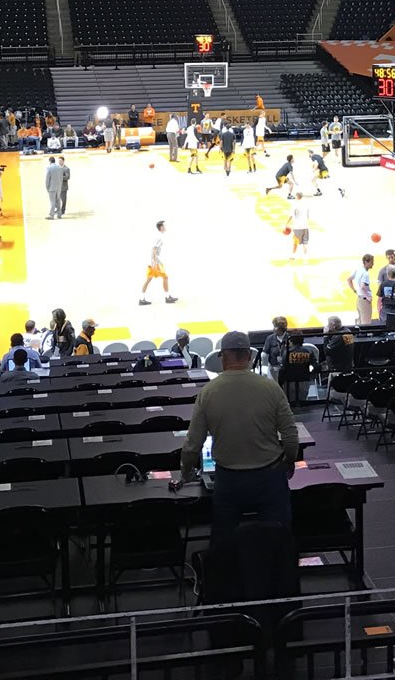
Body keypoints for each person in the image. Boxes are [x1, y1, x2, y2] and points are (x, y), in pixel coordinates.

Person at [180, 330, 300, 549]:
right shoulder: (271, 388)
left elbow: (192, 444)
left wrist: (186, 472)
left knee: (225, 542)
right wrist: (290, 461)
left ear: (223, 357)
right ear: (249, 356)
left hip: (229, 479)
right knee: (279, 539)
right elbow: (291, 437)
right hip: (270, 476)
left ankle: (228, 580)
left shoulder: (208, 392)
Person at [141, 219, 176, 305]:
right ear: (161, 227)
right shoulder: (159, 237)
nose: (165, 227)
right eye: (164, 226)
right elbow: (154, 249)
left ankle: (141, 299)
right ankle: (167, 298)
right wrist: (155, 262)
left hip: (153, 261)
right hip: (155, 262)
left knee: (149, 279)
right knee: (165, 277)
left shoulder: (159, 236)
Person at [352, 253, 375, 324]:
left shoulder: (358, 270)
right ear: (366, 262)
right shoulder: (365, 273)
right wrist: (367, 297)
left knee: (360, 322)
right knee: (366, 323)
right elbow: (362, 286)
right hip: (364, 300)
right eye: (371, 262)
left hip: (359, 299)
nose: (373, 264)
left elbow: (349, 279)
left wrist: (354, 289)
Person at [287, 195, 311, 263]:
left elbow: (291, 216)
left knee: (295, 244)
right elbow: (308, 217)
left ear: (296, 197)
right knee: (305, 244)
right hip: (305, 227)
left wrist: (286, 224)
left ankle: (292, 257)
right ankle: (305, 260)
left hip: (297, 228)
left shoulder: (294, 206)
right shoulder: (306, 206)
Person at [44, 155, 68, 219]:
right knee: (58, 201)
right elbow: (61, 178)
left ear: (50, 161)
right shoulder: (60, 168)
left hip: (52, 188)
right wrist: (60, 186)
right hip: (59, 188)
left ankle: (51, 215)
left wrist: (47, 188)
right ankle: (59, 214)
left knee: (52, 202)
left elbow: (47, 179)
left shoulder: (49, 168)